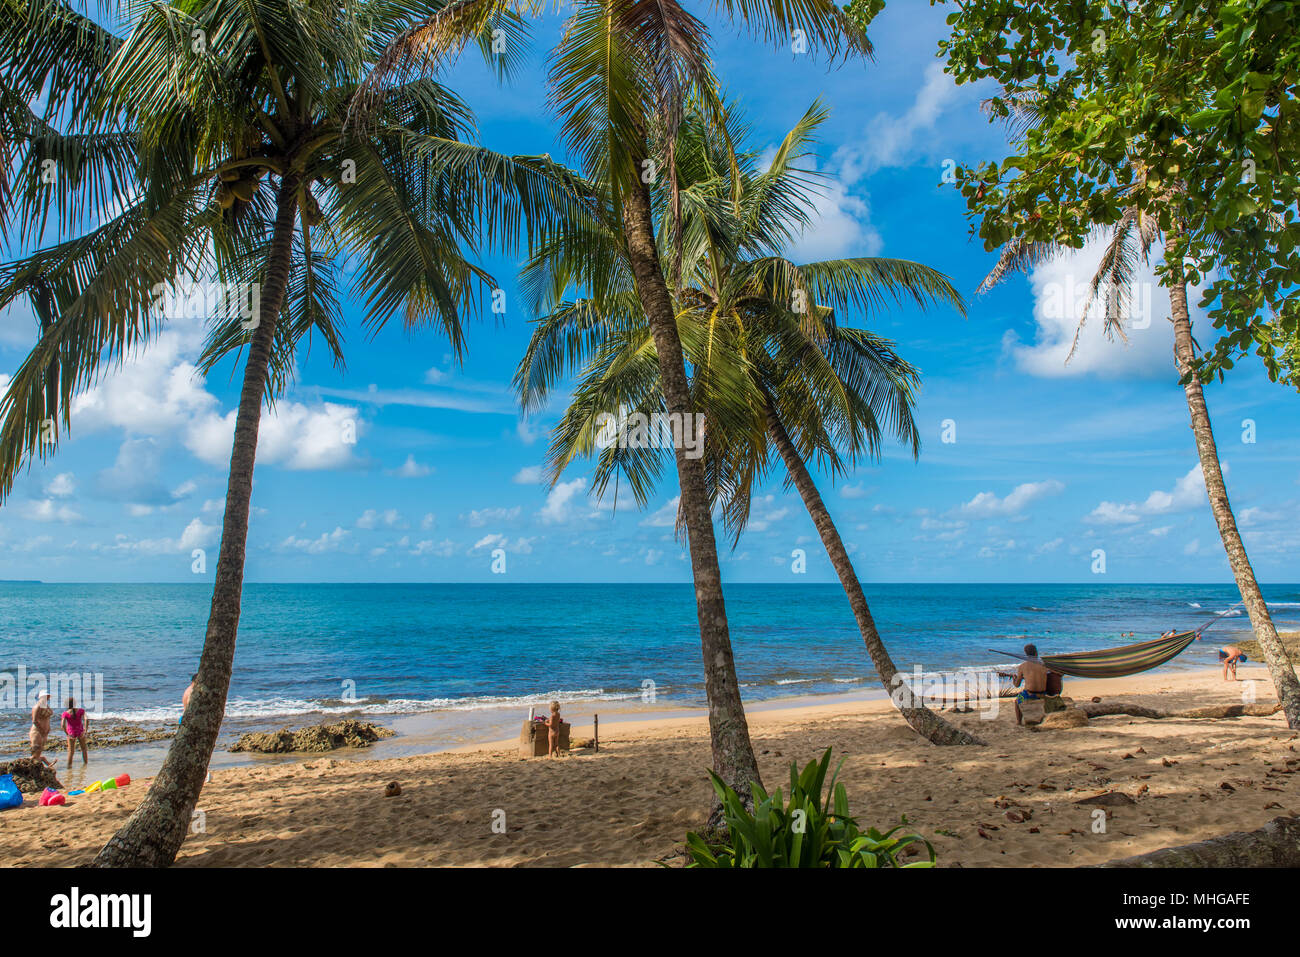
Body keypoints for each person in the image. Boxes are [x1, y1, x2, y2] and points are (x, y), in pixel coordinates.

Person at [1011, 643, 1050, 726]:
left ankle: (1019, 722)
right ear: (1036, 653)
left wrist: (1014, 679)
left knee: (1017, 701)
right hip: (1043, 694)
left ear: (1026, 654)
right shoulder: (1044, 664)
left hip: (1030, 694)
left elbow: (1017, 685)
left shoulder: (1022, 666)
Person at [61, 696, 89, 769]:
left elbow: (62, 725)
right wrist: (85, 730)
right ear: (75, 703)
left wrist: (67, 734)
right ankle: (85, 765)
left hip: (71, 733)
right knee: (84, 749)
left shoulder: (65, 713)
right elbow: (86, 719)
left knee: (71, 752)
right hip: (80, 731)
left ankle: (69, 767)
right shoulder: (81, 711)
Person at [29, 692, 53, 766]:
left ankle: (40, 763)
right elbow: (34, 720)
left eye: (48, 697)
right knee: (36, 750)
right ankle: (30, 765)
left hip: (44, 732)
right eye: (46, 696)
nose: (48, 698)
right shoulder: (37, 707)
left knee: (39, 751)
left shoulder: (46, 706)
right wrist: (42, 730)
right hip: (37, 732)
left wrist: (46, 730)